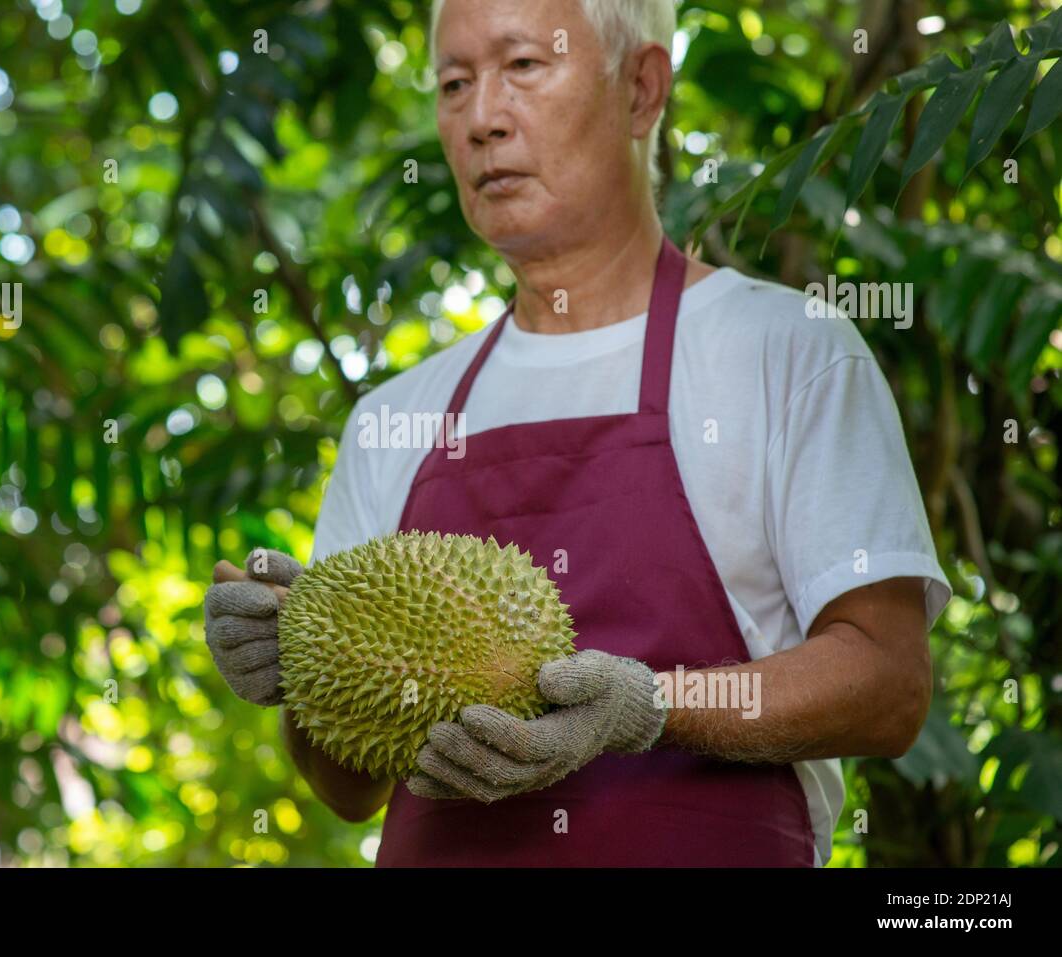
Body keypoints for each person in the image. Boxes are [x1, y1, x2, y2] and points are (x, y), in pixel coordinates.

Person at [203, 0, 951, 866]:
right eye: (453, 83)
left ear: (641, 90)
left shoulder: (787, 351)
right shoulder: (393, 416)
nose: (482, 118)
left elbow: (889, 682)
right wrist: (292, 665)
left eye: (523, 67)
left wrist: (652, 708)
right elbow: (348, 786)